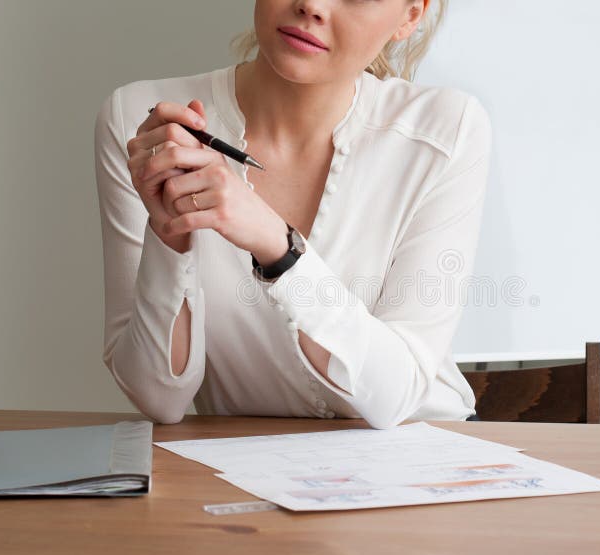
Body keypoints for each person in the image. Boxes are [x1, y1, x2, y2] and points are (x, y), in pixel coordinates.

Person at [94, 0, 492, 429]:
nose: (312, 6)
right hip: (245, 474)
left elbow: (395, 395)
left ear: (411, 15)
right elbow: (158, 398)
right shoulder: (149, 123)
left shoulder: (445, 131)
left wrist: (275, 244)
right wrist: (169, 232)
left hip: (424, 459)